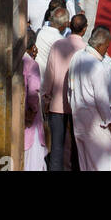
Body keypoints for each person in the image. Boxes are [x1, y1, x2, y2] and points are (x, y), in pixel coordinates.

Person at [67, 25, 111, 171]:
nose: (107, 50)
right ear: (99, 45)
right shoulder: (97, 65)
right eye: (107, 46)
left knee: (85, 164)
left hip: (79, 121)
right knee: (103, 165)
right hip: (96, 124)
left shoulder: (77, 56)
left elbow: (69, 91)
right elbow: (102, 100)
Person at [42, 11, 87, 172]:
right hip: (77, 106)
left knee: (56, 147)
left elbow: (49, 76)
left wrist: (46, 99)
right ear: (84, 30)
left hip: (57, 104)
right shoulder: (85, 50)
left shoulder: (58, 46)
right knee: (77, 148)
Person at [23, 30, 47, 171]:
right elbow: (33, 91)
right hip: (30, 121)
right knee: (33, 162)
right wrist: (32, 112)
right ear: (33, 47)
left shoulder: (15, 60)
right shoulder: (31, 64)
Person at [36, 1, 69, 77]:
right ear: (65, 24)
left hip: (37, 74)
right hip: (47, 79)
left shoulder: (40, 31)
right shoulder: (61, 41)